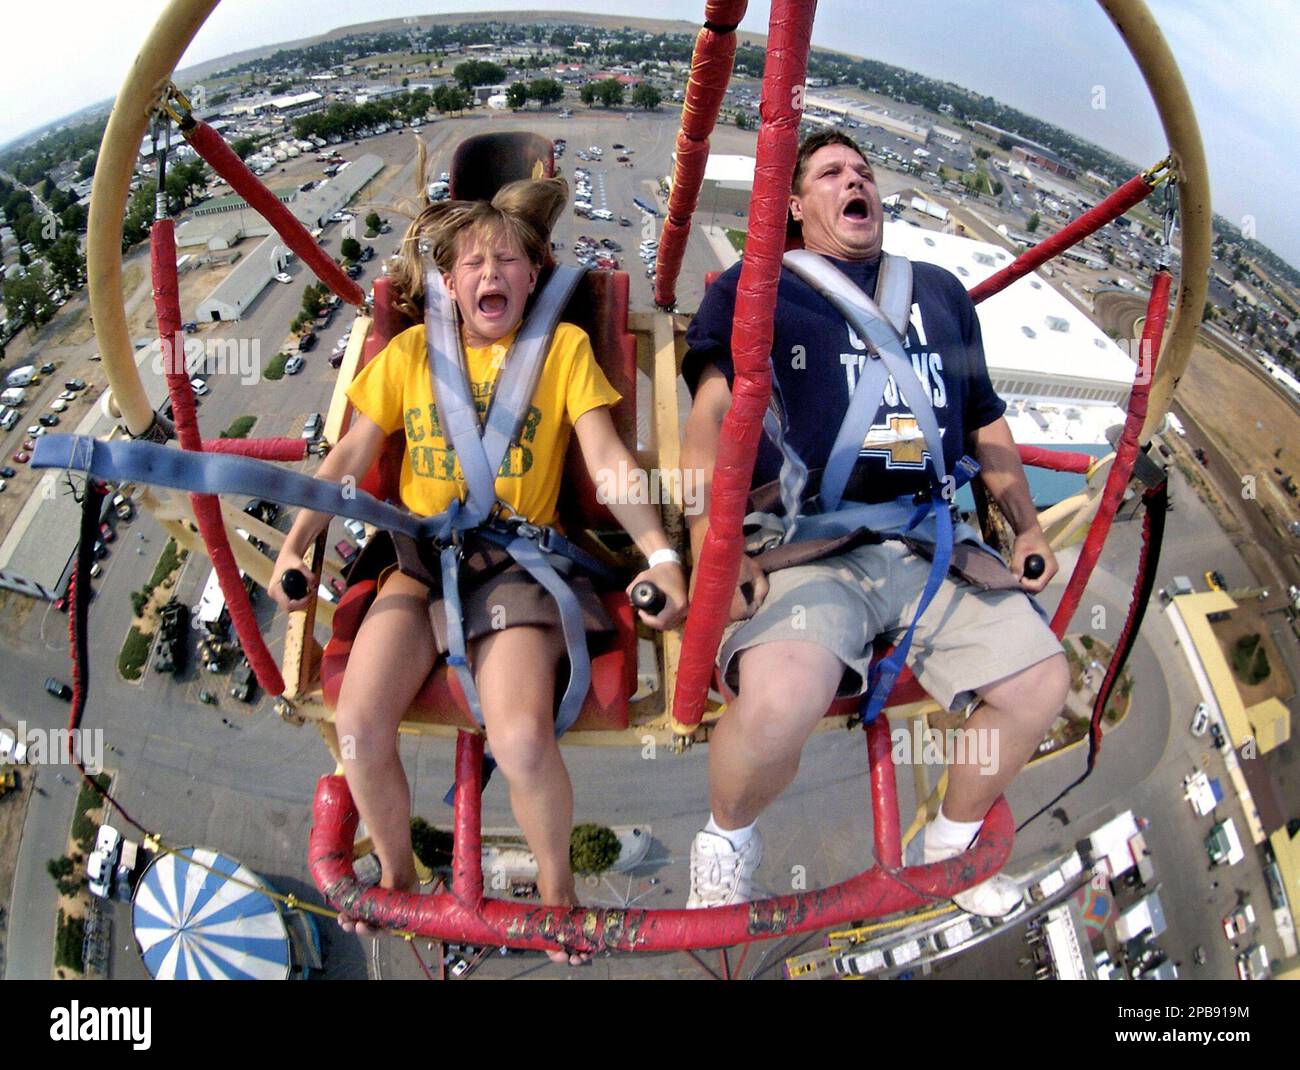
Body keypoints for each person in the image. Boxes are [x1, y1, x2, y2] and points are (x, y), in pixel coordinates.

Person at [270, 174, 687, 962]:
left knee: (522, 738)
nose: (490, 273)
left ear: (534, 276)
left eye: (507, 260)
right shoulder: (405, 357)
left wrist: (662, 554)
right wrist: (296, 544)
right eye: (472, 263)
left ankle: (559, 890)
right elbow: (350, 456)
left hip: (517, 563)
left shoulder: (562, 352)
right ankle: (399, 874)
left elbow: (609, 462)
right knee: (357, 727)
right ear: (449, 282)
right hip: (421, 562)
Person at [679, 129, 1069, 916]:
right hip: (805, 545)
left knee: (1041, 683)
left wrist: (1024, 526)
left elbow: (987, 424)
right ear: (796, 205)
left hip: (930, 540)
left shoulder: (941, 292)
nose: (855, 181)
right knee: (780, 701)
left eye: (863, 172)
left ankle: (952, 841)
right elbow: (711, 414)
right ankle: (726, 839)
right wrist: (707, 546)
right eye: (831, 173)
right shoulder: (759, 288)